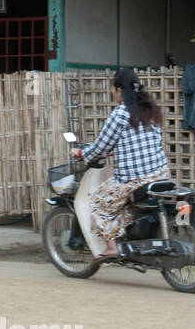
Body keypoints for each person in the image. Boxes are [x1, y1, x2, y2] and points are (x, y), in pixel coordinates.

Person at [71, 68, 170, 261]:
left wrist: (82, 153)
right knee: (123, 206)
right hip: (161, 174)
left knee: (98, 202)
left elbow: (101, 145)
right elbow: (140, 141)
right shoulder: (150, 110)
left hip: (133, 179)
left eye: (113, 91)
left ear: (119, 91)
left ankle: (111, 247)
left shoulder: (121, 113)